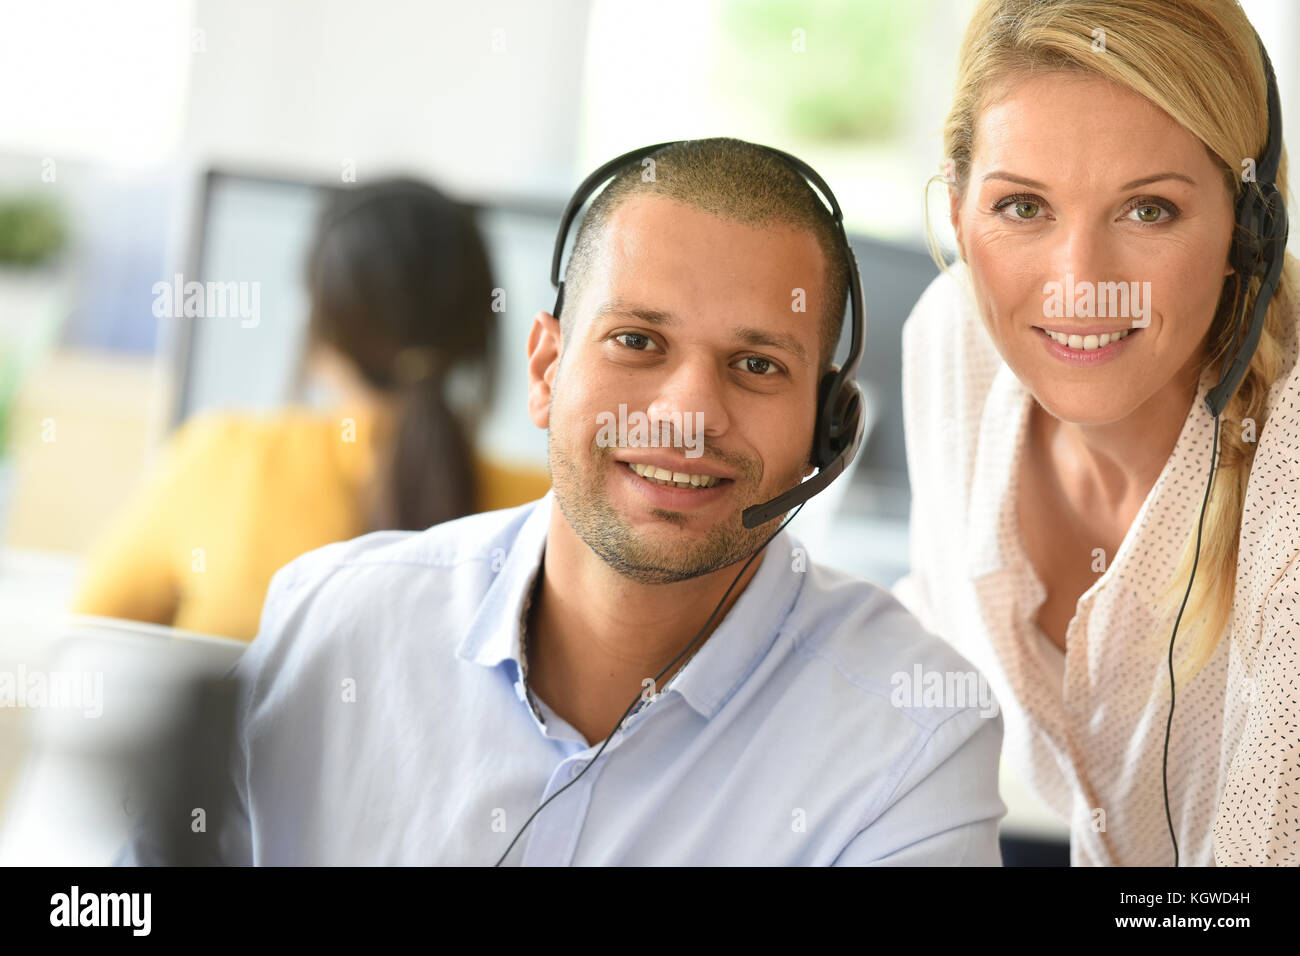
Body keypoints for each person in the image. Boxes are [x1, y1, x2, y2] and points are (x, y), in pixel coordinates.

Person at [118, 137, 1005, 865]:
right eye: (637, 340)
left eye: (758, 364)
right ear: (547, 371)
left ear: (826, 427)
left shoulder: (910, 739)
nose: (688, 416)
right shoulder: (335, 619)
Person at [894, 0, 1300, 865]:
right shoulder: (951, 345)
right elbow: (930, 634)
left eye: (1147, 210)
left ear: (1247, 231)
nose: (1080, 287)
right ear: (959, 209)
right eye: (1023, 207)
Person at [72, 178, 550, 641]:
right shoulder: (544, 514)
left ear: (321, 327)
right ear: (478, 335)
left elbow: (83, 644)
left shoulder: (221, 460)